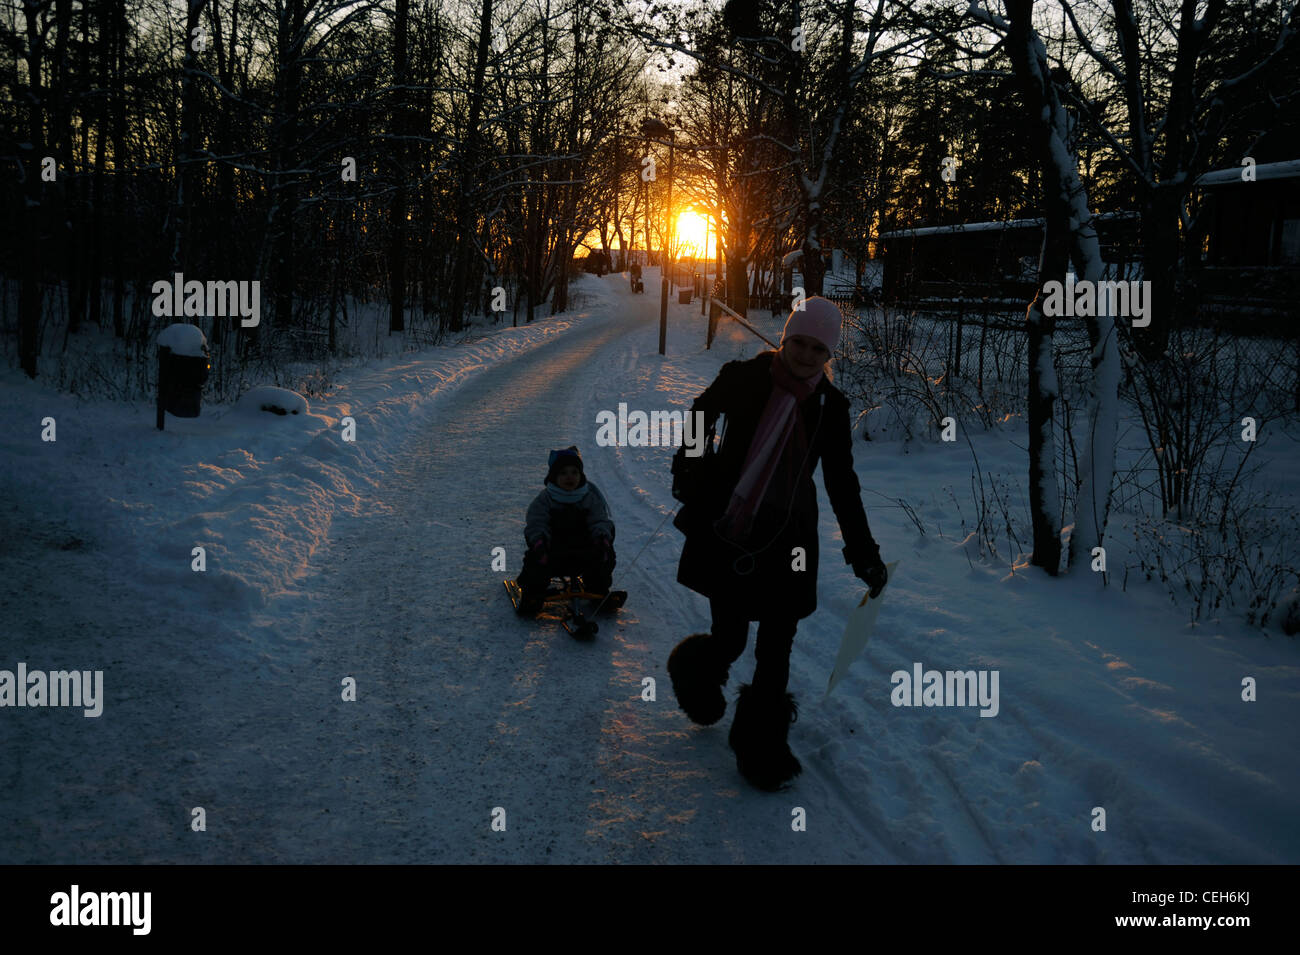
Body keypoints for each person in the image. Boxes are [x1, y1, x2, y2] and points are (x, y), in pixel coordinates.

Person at [667, 296, 888, 790]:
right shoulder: (743, 378)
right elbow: (700, 422)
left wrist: (864, 553)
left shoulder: (831, 410)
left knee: (777, 647)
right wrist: (690, 469)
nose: (807, 356)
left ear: (828, 355)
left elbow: (842, 485)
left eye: (818, 349)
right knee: (731, 636)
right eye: (800, 343)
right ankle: (694, 672)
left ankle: (761, 748)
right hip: (733, 526)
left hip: (789, 536)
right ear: (785, 338)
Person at [516, 446, 616, 615]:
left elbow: (599, 520)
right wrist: (539, 541)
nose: (570, 477)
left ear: (581, 475)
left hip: (585, 551)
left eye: (574, 472)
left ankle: (597, 589)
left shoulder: (590, 498)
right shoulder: (545, 499)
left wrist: (602, 537)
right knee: (535, 561)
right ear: (554, 477)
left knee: (604, 555)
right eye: (563, 473)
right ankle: (533, 594)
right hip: (553, 552)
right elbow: (536, 523)